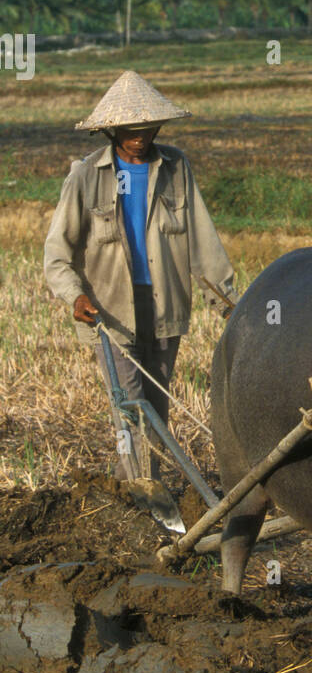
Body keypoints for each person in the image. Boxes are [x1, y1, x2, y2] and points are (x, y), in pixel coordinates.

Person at [44, 70, 235, 482]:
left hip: (164, 304)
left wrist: (227, 303)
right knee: (128, 405)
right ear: (112, 130)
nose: (139, 137)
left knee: (157, 403)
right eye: (130, 130)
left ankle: (135, 481)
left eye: (147, 128)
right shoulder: (84, 177)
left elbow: (202, 240)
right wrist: (75, 296)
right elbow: (57, 254)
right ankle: (144, 489)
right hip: (111, 311)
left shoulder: (175, 167)